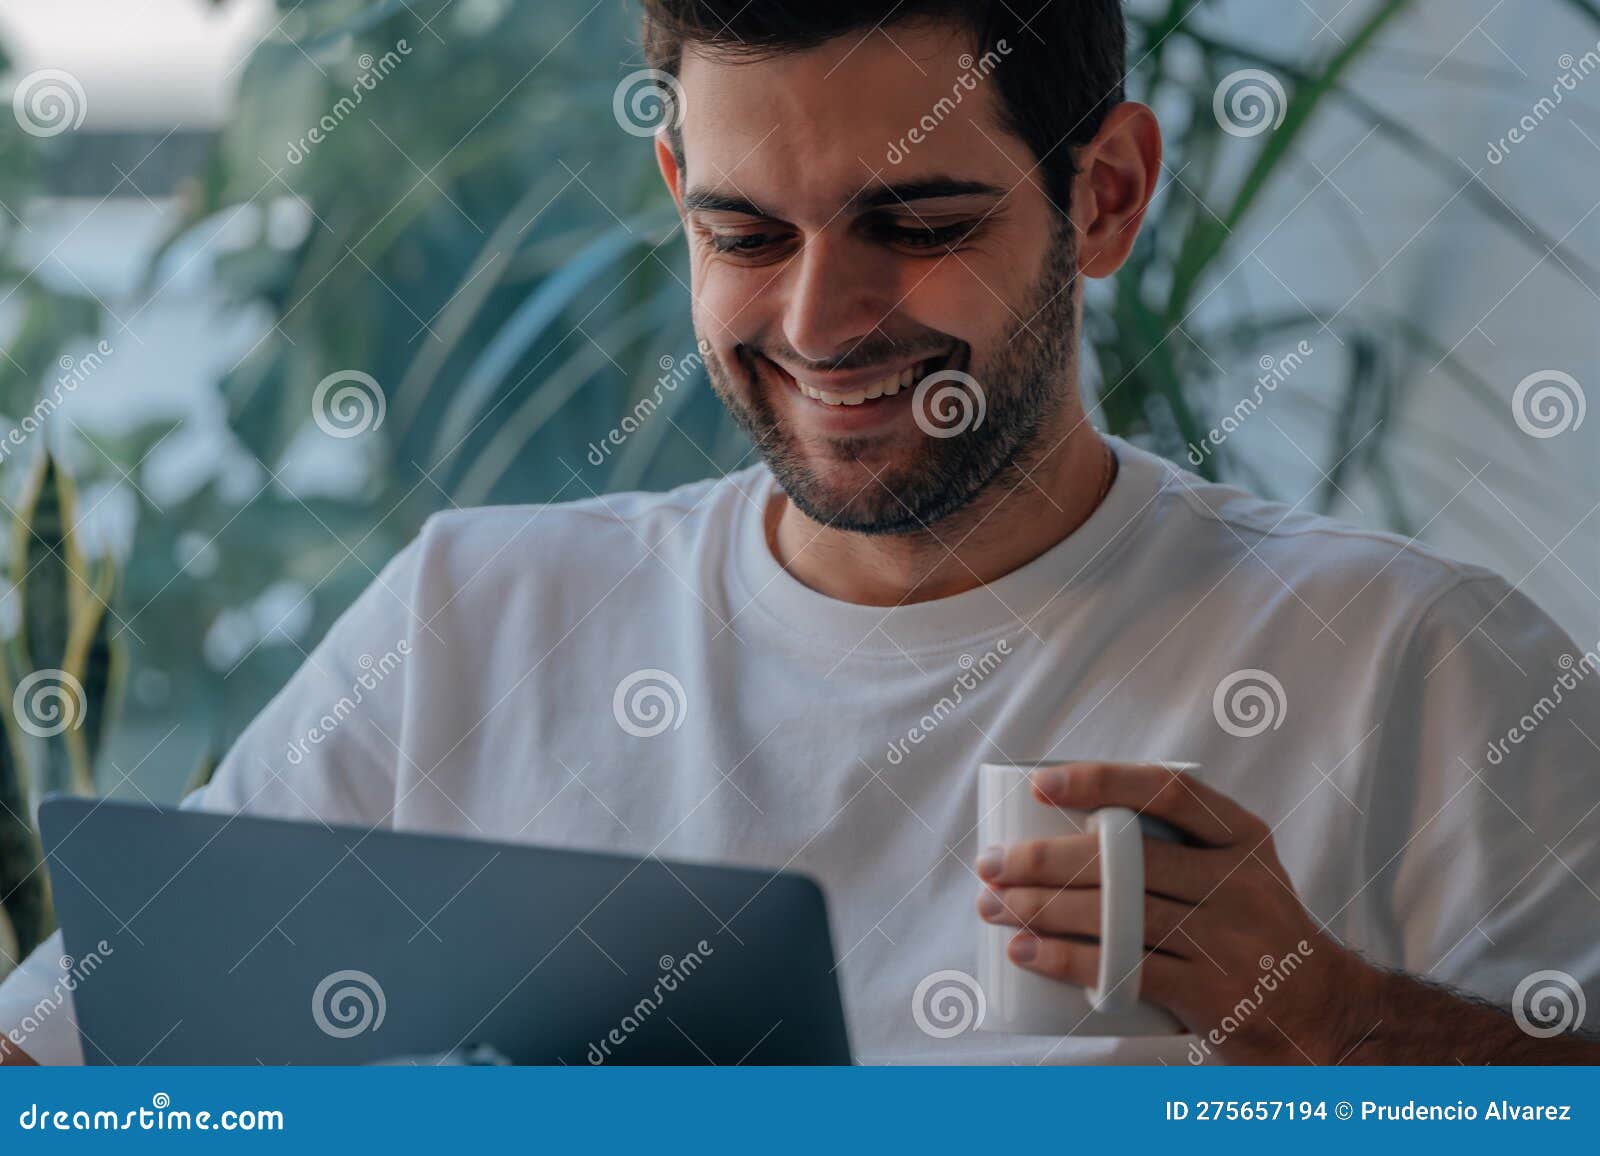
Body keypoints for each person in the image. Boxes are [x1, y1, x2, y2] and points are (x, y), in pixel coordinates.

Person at [4, 0, 1597, 1066]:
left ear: (1104, 196)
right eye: (746, 234)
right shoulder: (472, 621)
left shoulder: (1417, 665)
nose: (821, 321)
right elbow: (58, 1057)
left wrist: (1338, 1018)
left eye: (919, 226)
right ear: (676, 186)